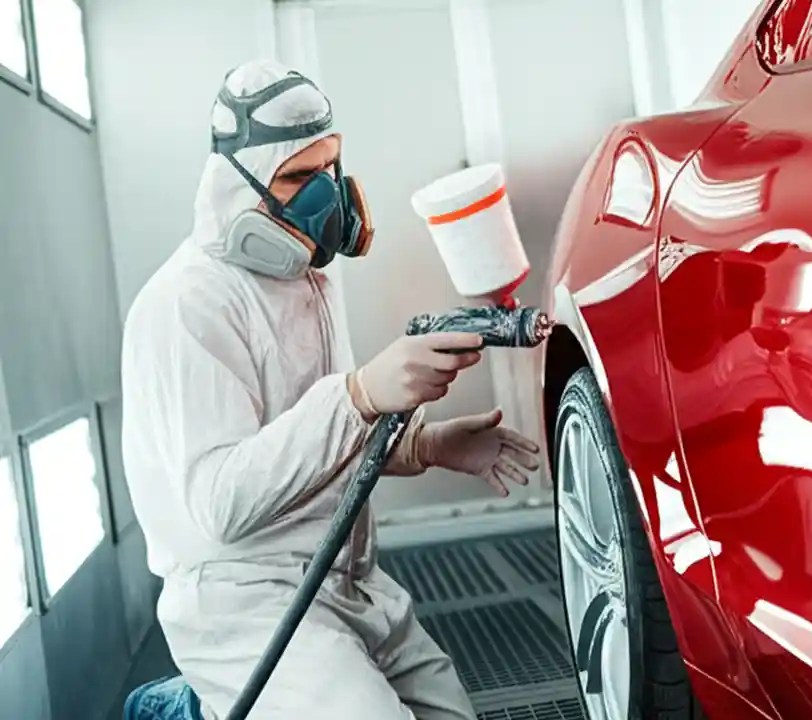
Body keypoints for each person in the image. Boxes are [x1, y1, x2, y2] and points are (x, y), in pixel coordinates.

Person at [119, 59, 541, 719]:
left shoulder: (309, 281)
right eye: (297, 178)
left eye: (329, 170)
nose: (325, 197)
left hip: (347, 578)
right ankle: (188, 710)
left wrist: (428, 447)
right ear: (239, 186)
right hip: (244, 601)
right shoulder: (186, 304)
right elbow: (222, 505)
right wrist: (359, 394)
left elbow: (316, 453)